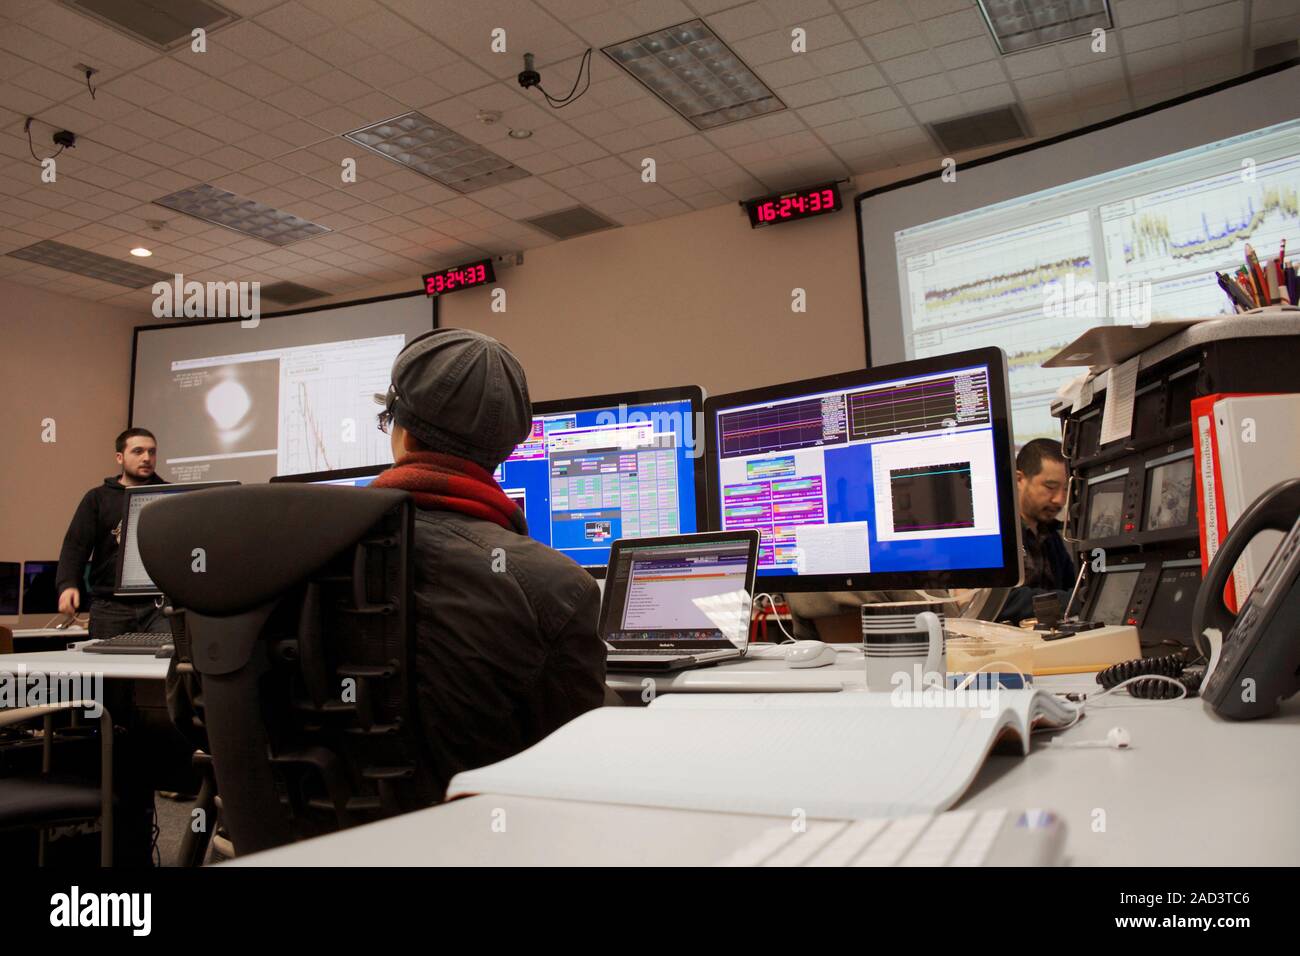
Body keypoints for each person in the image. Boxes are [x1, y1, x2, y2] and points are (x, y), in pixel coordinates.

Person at [369, 328, 607, 798]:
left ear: (402, 434)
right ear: (503, 454)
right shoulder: (559, 589)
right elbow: (578, 761)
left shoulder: (283, 555)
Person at [55, 428, 169, 639]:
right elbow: (76, 545)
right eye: (138, 451)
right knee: (108, 670)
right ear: (120, 457)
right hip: (110, 607)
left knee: (164, 668)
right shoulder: (98, 498)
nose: (147, 458)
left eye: (152, 452)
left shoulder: (171, 496)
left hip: (159, 606)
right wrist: (67, 584)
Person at [999, 438, 1078, 625]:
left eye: (1066, 489)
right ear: (1019, 479)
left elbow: (1073, 588)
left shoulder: (1051, 535)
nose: (1060, 500)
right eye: (1050, 487)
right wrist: (1074, 601)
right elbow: (1003, 602)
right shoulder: (999, 534)